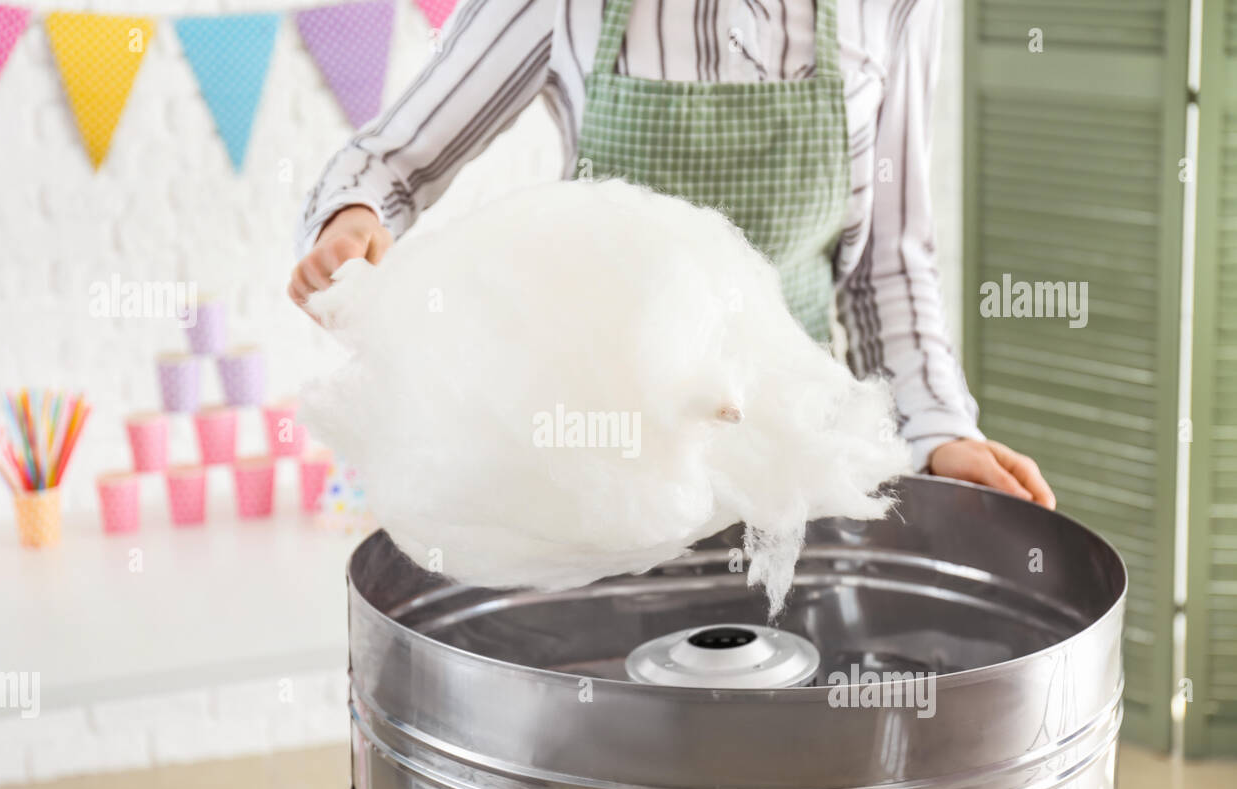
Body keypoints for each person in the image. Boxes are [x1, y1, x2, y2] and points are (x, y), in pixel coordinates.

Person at [290, 0, 1055, 507]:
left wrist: (939, 429)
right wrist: (351, 220)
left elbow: (887, 262)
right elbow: (390, 162)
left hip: (799, 471)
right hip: (599, 476)